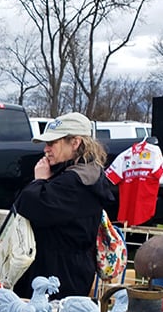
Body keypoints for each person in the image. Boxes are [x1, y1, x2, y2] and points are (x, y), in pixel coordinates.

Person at [13, 112, 117, 300]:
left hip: (58, 274)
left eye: (52, 143)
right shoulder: (85, 174)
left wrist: (39, 181)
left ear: (75, 143)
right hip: (68, 269)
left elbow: (31, 206)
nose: (46, 149)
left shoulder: (76, 181)